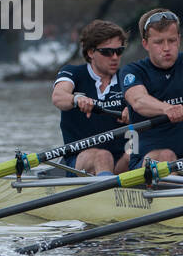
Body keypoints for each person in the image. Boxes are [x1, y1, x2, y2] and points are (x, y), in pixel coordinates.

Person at [120, 8, 183, 168]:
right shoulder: (133, 71)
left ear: (179, 39)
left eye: (171, 41)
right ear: (145, 44)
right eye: (159, 42)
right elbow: (139, 101)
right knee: (167, 156)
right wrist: (167, 109)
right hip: (147, 157)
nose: (166, 48)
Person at [50, 19, 130, 174]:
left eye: (119, 51)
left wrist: (134, 111)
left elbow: (141, 101)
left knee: (141, 154)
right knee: (102, 156)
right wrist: (76, 99)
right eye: (107, 52)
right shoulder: (73, 73)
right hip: (80, 159)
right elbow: (58, 96)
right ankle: (106, 193)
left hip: (121, 161)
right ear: (91, 52)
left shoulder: (128, 77)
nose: (114, 57)